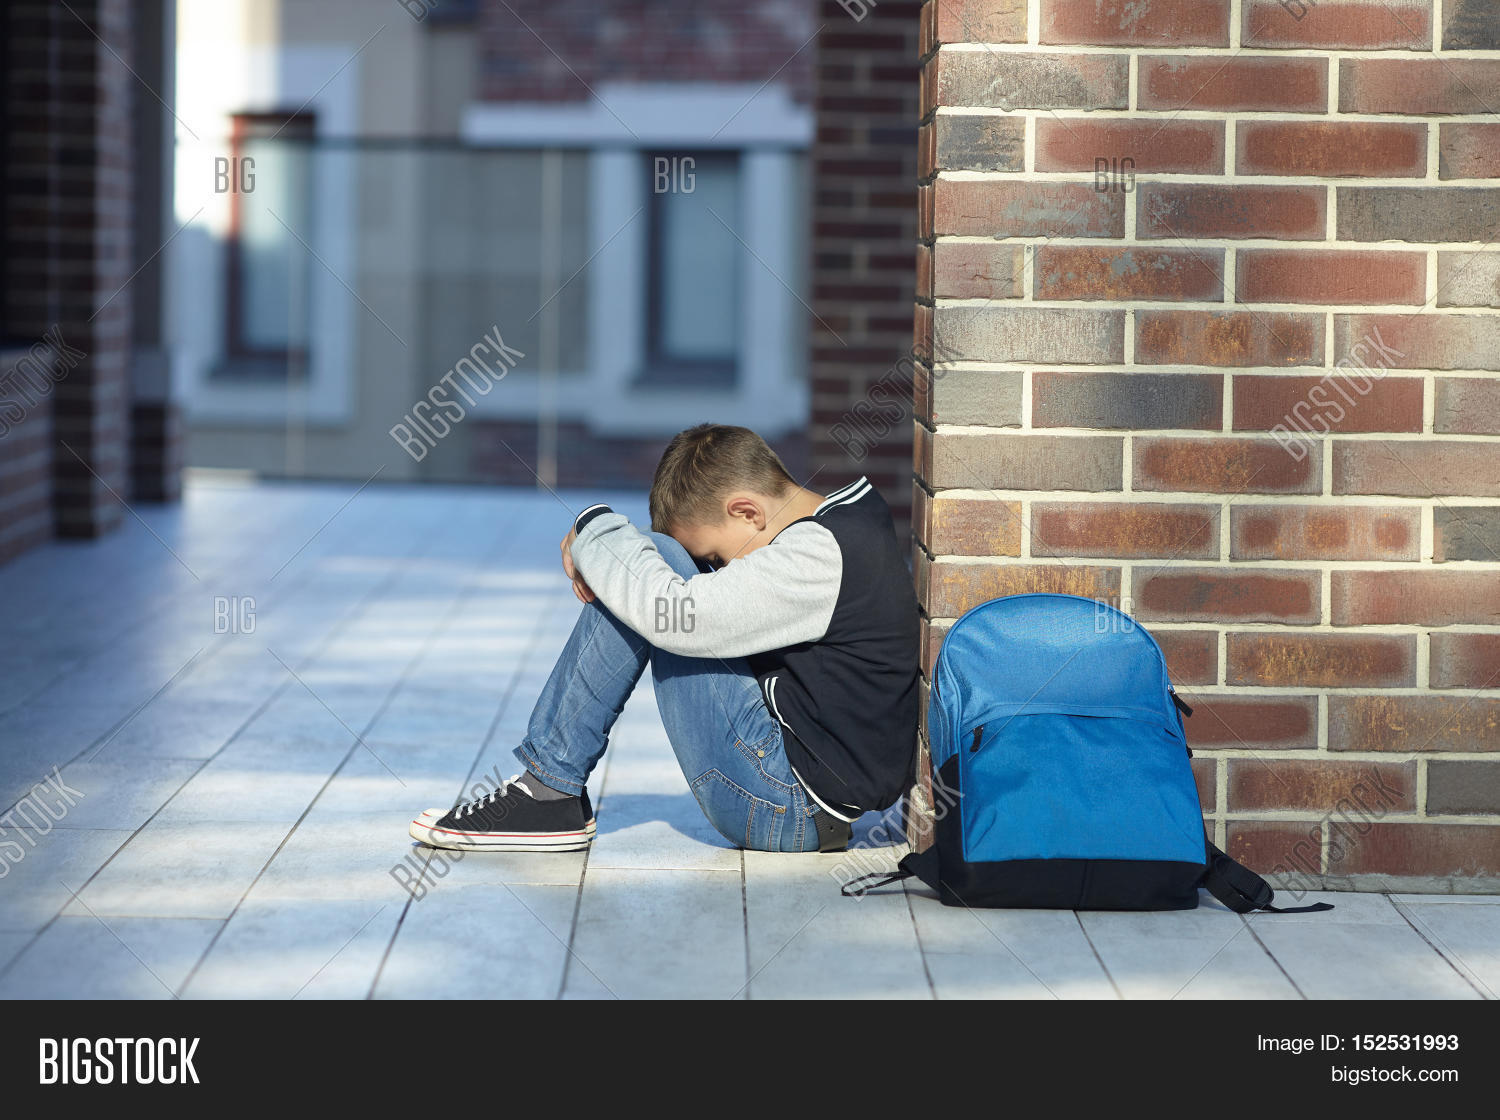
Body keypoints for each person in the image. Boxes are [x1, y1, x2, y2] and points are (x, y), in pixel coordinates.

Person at [408, 423, 919, 854]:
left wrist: (594, 530)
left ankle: (548, 791)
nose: (715, 570)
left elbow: (672, 615)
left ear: (747, 512)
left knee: (652, 581)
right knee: (643, 573)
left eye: (715, 558)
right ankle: (549, 790)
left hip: (787, 806)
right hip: (801, 798)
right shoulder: (845, 520)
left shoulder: (816, 555)